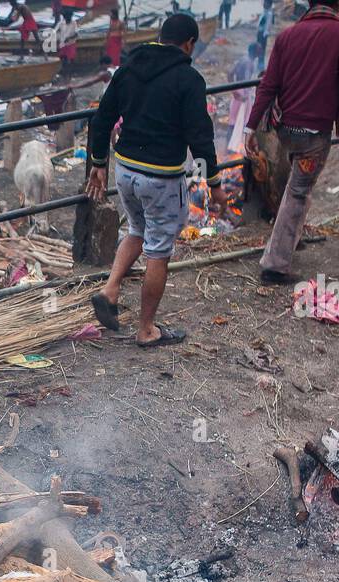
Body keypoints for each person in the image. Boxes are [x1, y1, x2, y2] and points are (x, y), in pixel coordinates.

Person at [85, 14, 226, 347]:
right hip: (160, 178)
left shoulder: (128, 69)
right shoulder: (188, 79)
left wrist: (99, 163)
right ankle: (147, 329)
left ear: (161, 37)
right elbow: (200, 138)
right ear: (189, 44)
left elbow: (102, 117)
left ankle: (110, 289)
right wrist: (215, 184)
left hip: (126, 172)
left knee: (136, 230)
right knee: (158, 252)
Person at [244, 0, 339, 284]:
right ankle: (275, 264)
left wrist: (250, 127)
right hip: (314, 135)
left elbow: (269, 85)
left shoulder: (287, 35)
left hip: (286, 131)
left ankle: (290, 239)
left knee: (296, 188)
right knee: (298, 192)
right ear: (337, 3)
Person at [227, 42, 263, 150]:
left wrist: (234, 91)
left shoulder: (244, 59)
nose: (261, 52)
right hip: (243, 94)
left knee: (235, 120)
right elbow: (232, 74)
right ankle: (231, 148)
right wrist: (237, 92)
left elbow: (230, 73)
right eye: (259, 50)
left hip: (240, 92)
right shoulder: (248, 63)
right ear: (255, 51)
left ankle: (231, 147)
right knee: (238, 121)